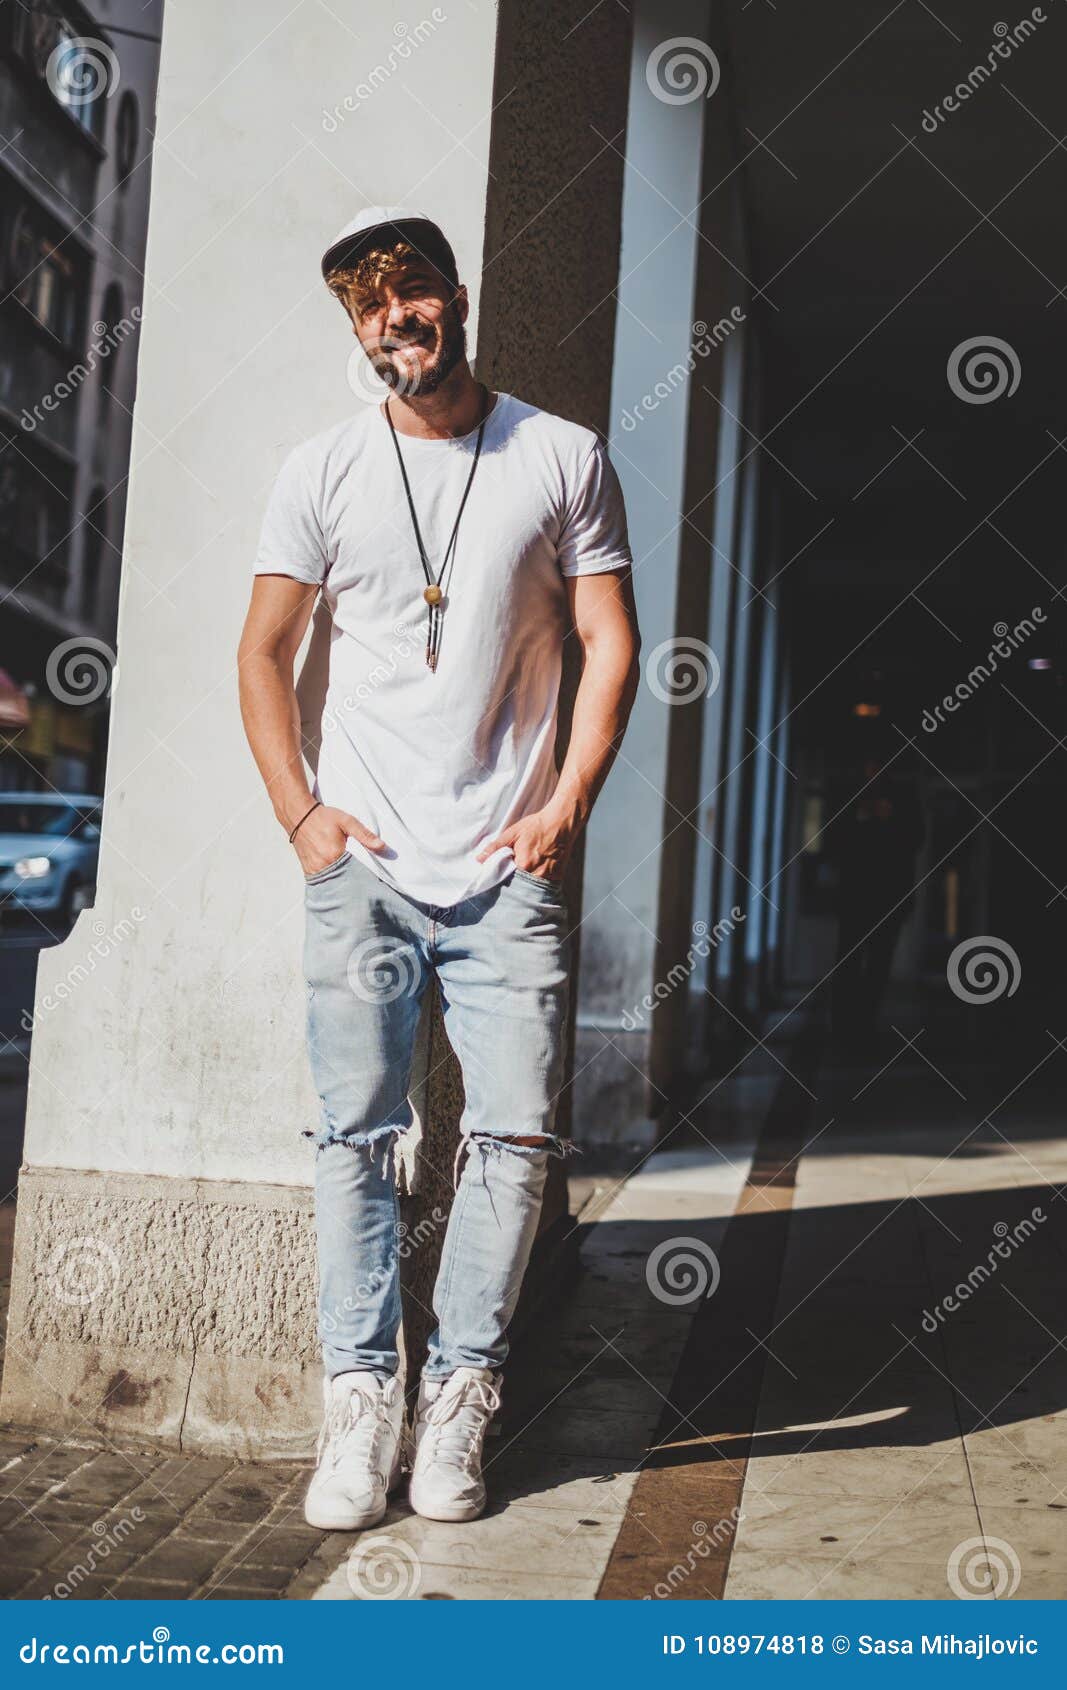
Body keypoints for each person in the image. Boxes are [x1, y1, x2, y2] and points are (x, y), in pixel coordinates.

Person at [237, 207, 640, 1528]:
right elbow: (264, 652)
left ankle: (462, 1390)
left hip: (504, 864)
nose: (392, 323)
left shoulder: (561, 455)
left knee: (515, 1133)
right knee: (355, 1134)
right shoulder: (321, 468)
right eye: (368, 308)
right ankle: (359, 1394)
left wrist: (566, 801)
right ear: (354, 330)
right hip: (361, 863)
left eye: (410, 298)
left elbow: (608, 641)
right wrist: (302, 814)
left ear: (453, 302)